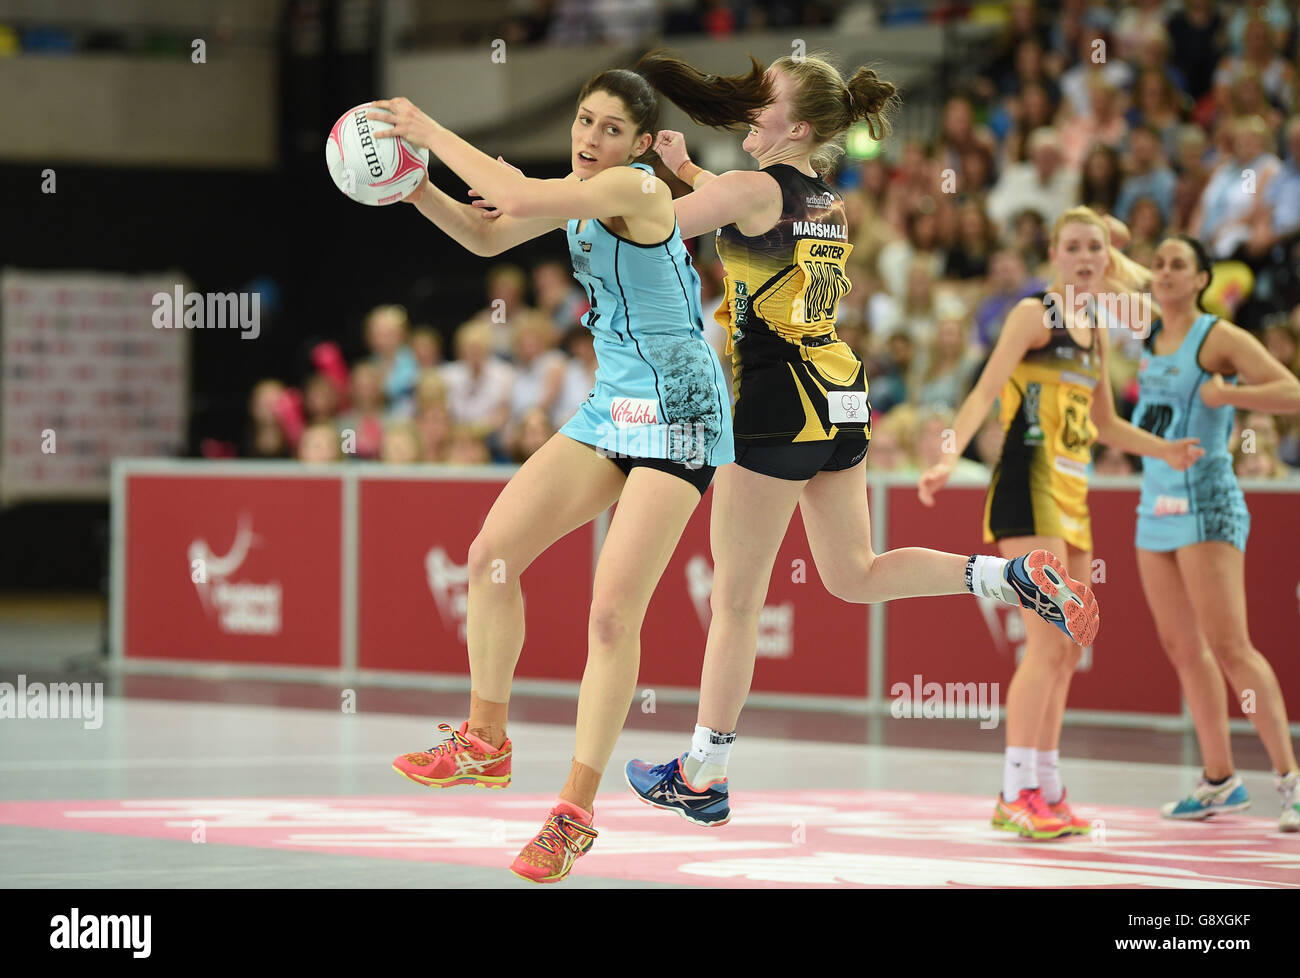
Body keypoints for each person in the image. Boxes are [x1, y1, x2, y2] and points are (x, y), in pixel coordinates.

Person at [620, 55, 1104, 832]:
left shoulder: (749, 188)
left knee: (737, 599)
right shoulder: (828, 201)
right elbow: (751, 218)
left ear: (799, 126)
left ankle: (704, 771)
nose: (747, 108)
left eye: (762, 101)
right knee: (855, 572)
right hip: (840, 395)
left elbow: (654, 227)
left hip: (777, 402)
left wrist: (589, 187)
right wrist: (683, 170)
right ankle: (1006, 575)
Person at [371, 54, 770, 884]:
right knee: (491, 558)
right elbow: (488, 229)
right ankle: (485, 739)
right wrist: (411, 187)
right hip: (613, 406)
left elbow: (512, 196)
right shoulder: (581, 202)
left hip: (683, 416)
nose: (591, 137)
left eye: (611, 129)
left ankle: (574, 812)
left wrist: (426, 129)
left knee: (611, 616)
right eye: (585, 121)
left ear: (635, 148)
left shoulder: (638, 193)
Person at [919, 207, 1204, 839]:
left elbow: (1104, 426)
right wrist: (947, 454)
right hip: (1028, 486)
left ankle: (1046, 788)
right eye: (1071, 246)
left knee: (1071, 647)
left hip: (1073, 497)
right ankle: (1013, 791)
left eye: (1093, 249)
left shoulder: (1098, 331)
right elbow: (984, 390)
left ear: (1105, 261)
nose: (1082, 257)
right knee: (1047, 643)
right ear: (1054, 253)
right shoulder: (1033, 315)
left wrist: (1164, 450)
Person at [1135, 236, 1300, 831]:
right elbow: (1121, 276)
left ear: (1203, 278)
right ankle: (1219, 780)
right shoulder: (1151, 328)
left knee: (1232, 647)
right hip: (1154, 507)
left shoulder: (1217, 336)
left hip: (1207, 503)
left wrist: (1229, 394)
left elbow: (1290, 390)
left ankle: (1290, 780)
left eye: (1179, 264)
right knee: (1185, 651)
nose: (1164, 272)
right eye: (1158, 264)